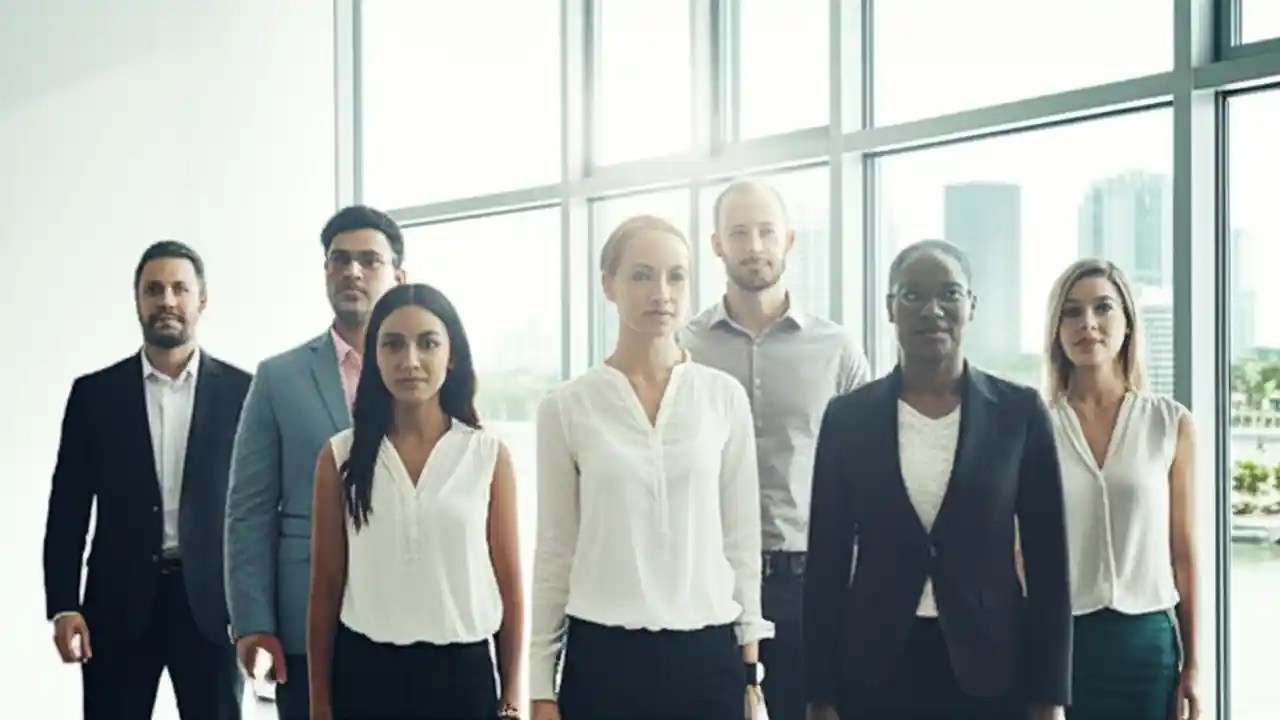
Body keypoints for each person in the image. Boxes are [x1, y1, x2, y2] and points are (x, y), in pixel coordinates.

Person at [803, 239, 1072, 720]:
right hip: (874, 667)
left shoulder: (1020, 413)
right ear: (891, 308)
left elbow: (1049, 565)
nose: (932, 310)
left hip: (991, 669)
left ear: (971, 305)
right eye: (912, 295)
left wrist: (1050, 696)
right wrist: (820, 696)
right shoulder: (848, 418)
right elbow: (827, 562)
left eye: (949, 293)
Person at [530, 215, 773, 720]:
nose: (660, 291)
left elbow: (742, 543)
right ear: (608, 285)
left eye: (675, 276)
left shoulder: (722, 398)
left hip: (706, 658)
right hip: (603, 658)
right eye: (641, 275)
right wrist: (539, 685)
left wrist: (751, 671)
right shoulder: (567, 407)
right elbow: (555, 553)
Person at [680, 178, 869, 720]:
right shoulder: (685, 348)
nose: (754, 245)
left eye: (766, 231)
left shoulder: (836, 349)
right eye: (739, 232)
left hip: (810, 583)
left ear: (789, 240)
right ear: (716, 244)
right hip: (708, 579)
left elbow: (870, 473)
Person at [43, 241, 251, 719]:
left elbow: (258, 511)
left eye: (180, 288)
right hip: (116, 606)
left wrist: (259, 611)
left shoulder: (244, 393)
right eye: (153, 289)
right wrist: (62, 605)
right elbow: (68, 508)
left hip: (212, 609)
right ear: (137, 300)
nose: (167, 301)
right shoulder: (94, 395)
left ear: (202, 300)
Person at [306, 284, 523, 719]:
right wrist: (319, 705)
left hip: (463, 678)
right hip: (366, 677)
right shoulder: (340, 457)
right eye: (393, 344)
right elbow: (325, 588)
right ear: (374, 357)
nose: (410, 361)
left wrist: (512, 699)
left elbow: (510, 587)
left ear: (452, 354)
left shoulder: (487, 456)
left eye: (428, 343)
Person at [225, 205, 406, 719]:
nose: (353, 271)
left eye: (369, 260)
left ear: (398, 275)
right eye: (340, 259)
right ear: (325, 271)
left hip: (409, 608)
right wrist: (252, 621)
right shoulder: (278, 378)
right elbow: (249, 510)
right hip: (305, 616)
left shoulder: (428, 374)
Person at [1043, 259, 1200, 720]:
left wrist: (1194, 666)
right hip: (1061, 647)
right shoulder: (1033, 426)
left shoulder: (1170, 422)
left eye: (1102, 308)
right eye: (1071, 311)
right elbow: (1020, 556)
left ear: (1127, 322)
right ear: (1056, 328)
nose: (1086, 323)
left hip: (1148, 648)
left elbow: (1186, 553)